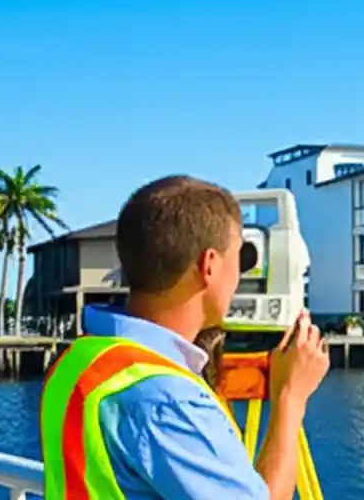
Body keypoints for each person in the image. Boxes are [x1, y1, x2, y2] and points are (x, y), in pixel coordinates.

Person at [39, 175, 330, 500]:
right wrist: (290, 399)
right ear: (209, 265)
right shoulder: (165, 399)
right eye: (238, 256)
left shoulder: (80, 360)